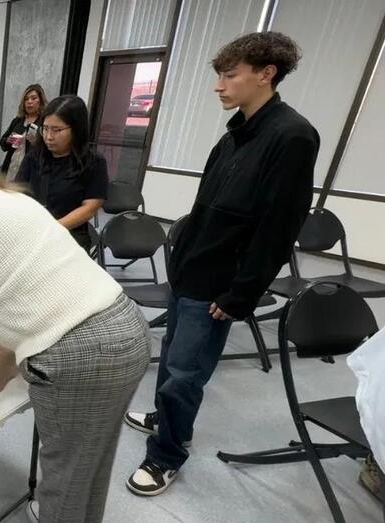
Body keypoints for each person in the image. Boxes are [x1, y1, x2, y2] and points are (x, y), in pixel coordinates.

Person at [123, 32, 320, 496]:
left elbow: (278, 227)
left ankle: (166, 454)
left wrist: (242, 293)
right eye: (219, 75)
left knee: (185, 373)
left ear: (266, 74)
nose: (219, 85)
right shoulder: (236, 134)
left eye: (230, 75)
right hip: (191, 271)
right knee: (172, 357)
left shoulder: (292, 136)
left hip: (219, 283)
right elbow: (207, 208)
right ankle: (165, 420)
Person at [0, 149, 150, 523]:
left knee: (64, 479)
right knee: (92, 462)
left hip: (79, 352)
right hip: (127, 327)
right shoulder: (12, 200)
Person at [16, 96, 107, 253]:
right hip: (32, 232)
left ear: (76, 129)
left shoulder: (94, 162)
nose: (49, 136)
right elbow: (17, 191)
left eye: (57, 130)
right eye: (45, 128)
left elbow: (90, 207)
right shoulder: (34, 157)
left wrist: (53, 228)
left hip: (69, 236)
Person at [0, 84, 47, 178]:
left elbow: (48, 149)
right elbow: (2, 143)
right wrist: (10, 140)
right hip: (10, 168)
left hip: (32, 171)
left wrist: (36, 142)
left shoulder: (44, 122)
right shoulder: (18, 120)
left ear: (40, 101)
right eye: (26, 99)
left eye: (33, 98)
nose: (29, 102)